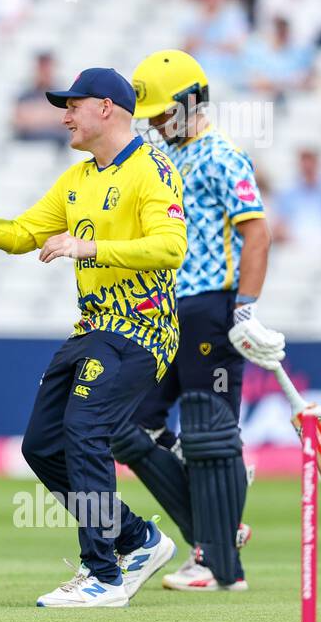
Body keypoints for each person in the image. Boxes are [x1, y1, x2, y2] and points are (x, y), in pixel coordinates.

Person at [0, 68, 183, 607]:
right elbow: (20, 235)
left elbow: (170, 248)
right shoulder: (77, 178)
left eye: (72, 105)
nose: (64, 115)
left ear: (106, 108)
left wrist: (89, 249)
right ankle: (136, 538)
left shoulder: (152, 169)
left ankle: (103, 575)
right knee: (41, 445)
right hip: (93, 330)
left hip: (142, 331)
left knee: (83, 431)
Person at [114, 50, 285, 593]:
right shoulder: (164, 156)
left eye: (166, 111)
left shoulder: (221, 155)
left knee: (211, 434)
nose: (158, 122)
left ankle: (214, 559)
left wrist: (246, 307)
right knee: (130, 428)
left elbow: (256, 233)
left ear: (192, 104)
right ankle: (219, 520)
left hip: (210, 308)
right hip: (162, 312)